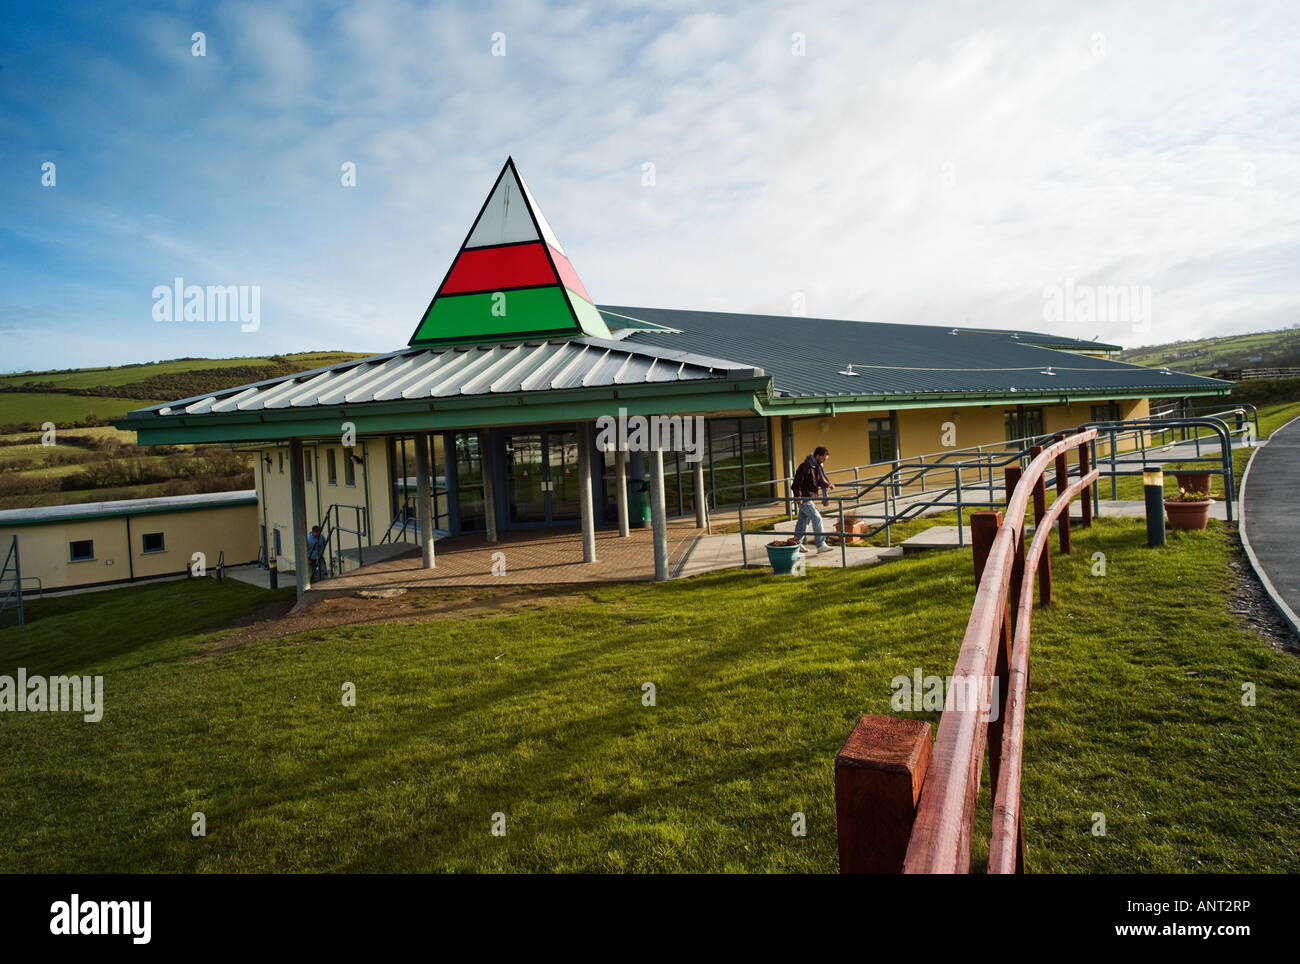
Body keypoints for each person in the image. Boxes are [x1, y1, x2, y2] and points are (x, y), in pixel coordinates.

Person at [792, 446, 835, 553]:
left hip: (809, 498)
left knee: (803, 522)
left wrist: (828, 484)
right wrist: (798, 496)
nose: (824, 461)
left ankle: (796, 543)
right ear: (818, 456)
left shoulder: (816, 467)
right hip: (804, 499)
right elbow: (796, 484)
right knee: (817, 518)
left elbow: (818, 480)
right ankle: (820, 545)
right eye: (823, 458)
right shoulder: (805, 467)